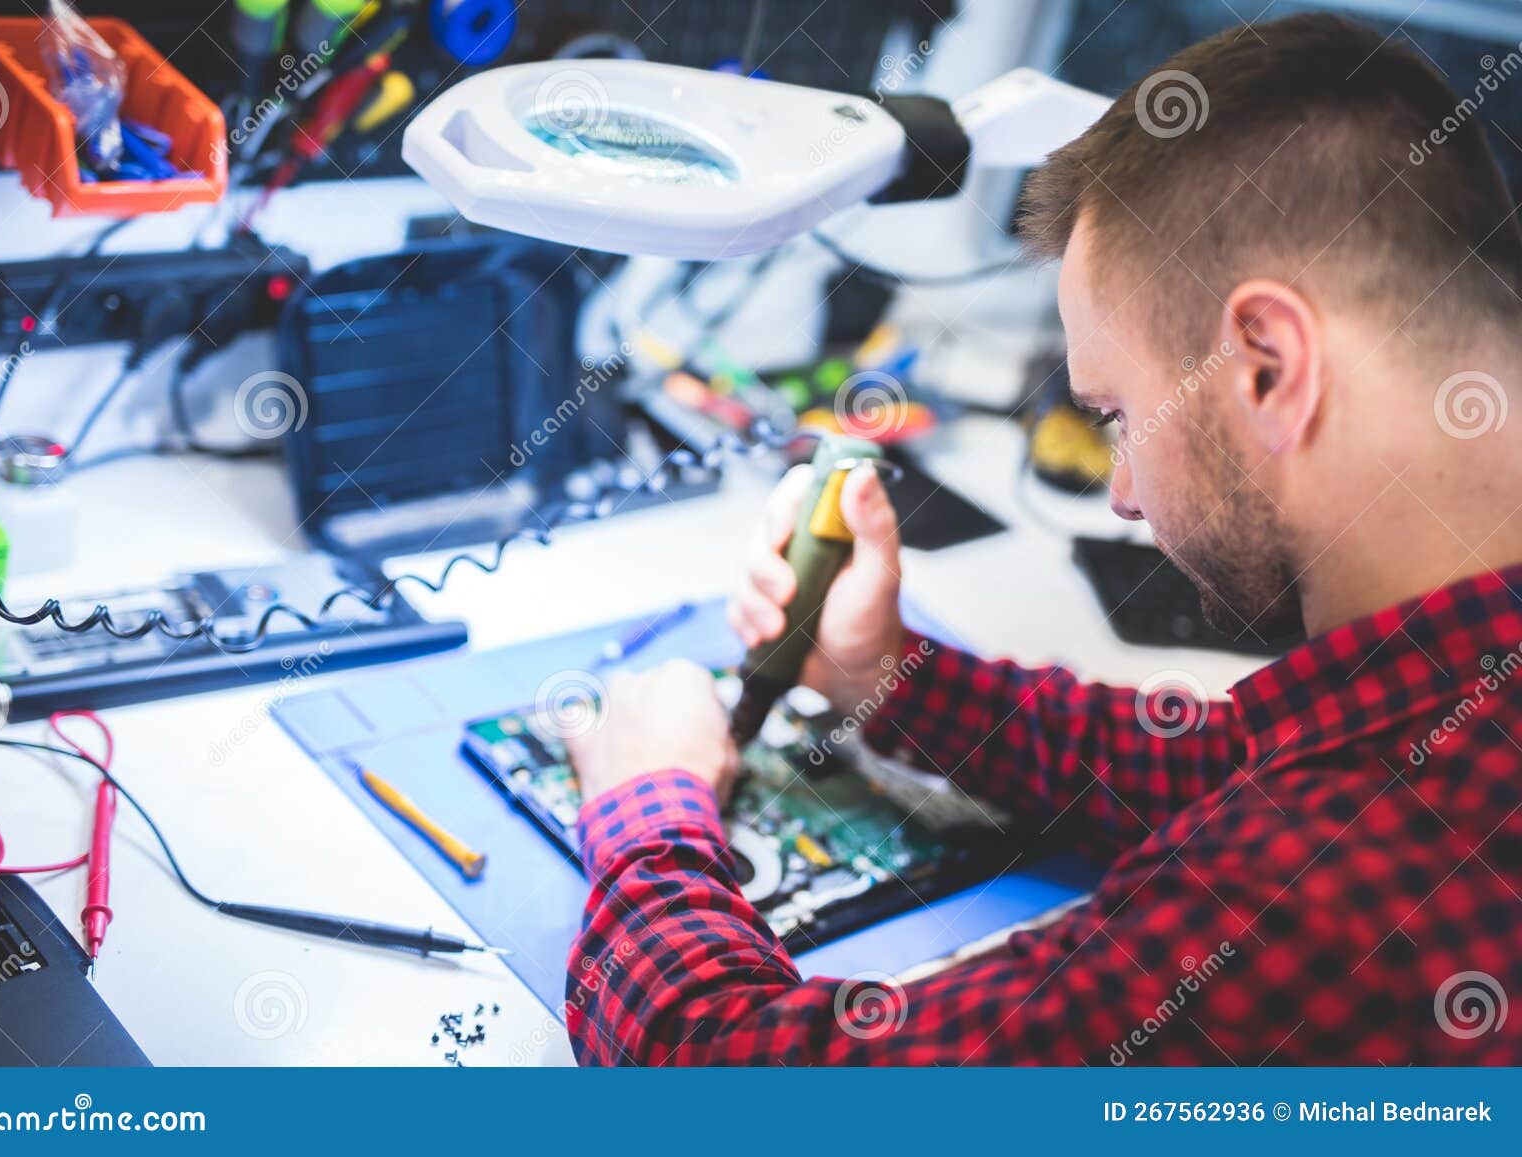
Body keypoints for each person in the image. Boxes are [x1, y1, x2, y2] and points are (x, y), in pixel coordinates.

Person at [562, 13, 1522, 1064]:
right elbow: (1233, 761)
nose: (1122, 493)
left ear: (1266, 367)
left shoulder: (1321, 889)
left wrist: (645, 813)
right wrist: (884, 676)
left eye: (1117, 415)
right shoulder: (1450, 702)